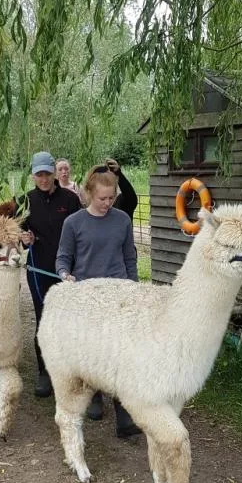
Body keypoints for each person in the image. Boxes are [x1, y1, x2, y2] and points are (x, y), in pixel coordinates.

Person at [55, 164, 142, 438]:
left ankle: (124, 413)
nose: (107, 203)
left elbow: (130, 258)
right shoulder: (73, 223)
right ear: (88, 194)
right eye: (102, 198)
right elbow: (62, 258)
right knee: (92, 353)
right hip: (88, 296)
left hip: (118, 295)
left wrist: (134, 290)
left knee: (120, 354)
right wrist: (64, 274)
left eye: (111, 198)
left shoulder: (123, 221)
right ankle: (92, 395)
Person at [21, 151, 79, 397]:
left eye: (47, 173)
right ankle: (44, 373)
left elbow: (80, 231)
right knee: (43, 320)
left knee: (69, 322)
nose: (44, 179)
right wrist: (25, 239)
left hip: (67, 271)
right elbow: (20, 233)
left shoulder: (70, 199)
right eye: (39, 174)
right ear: (33, 176)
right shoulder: (26, 200)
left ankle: (70, 372)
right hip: (39, 269)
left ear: (55, 172)